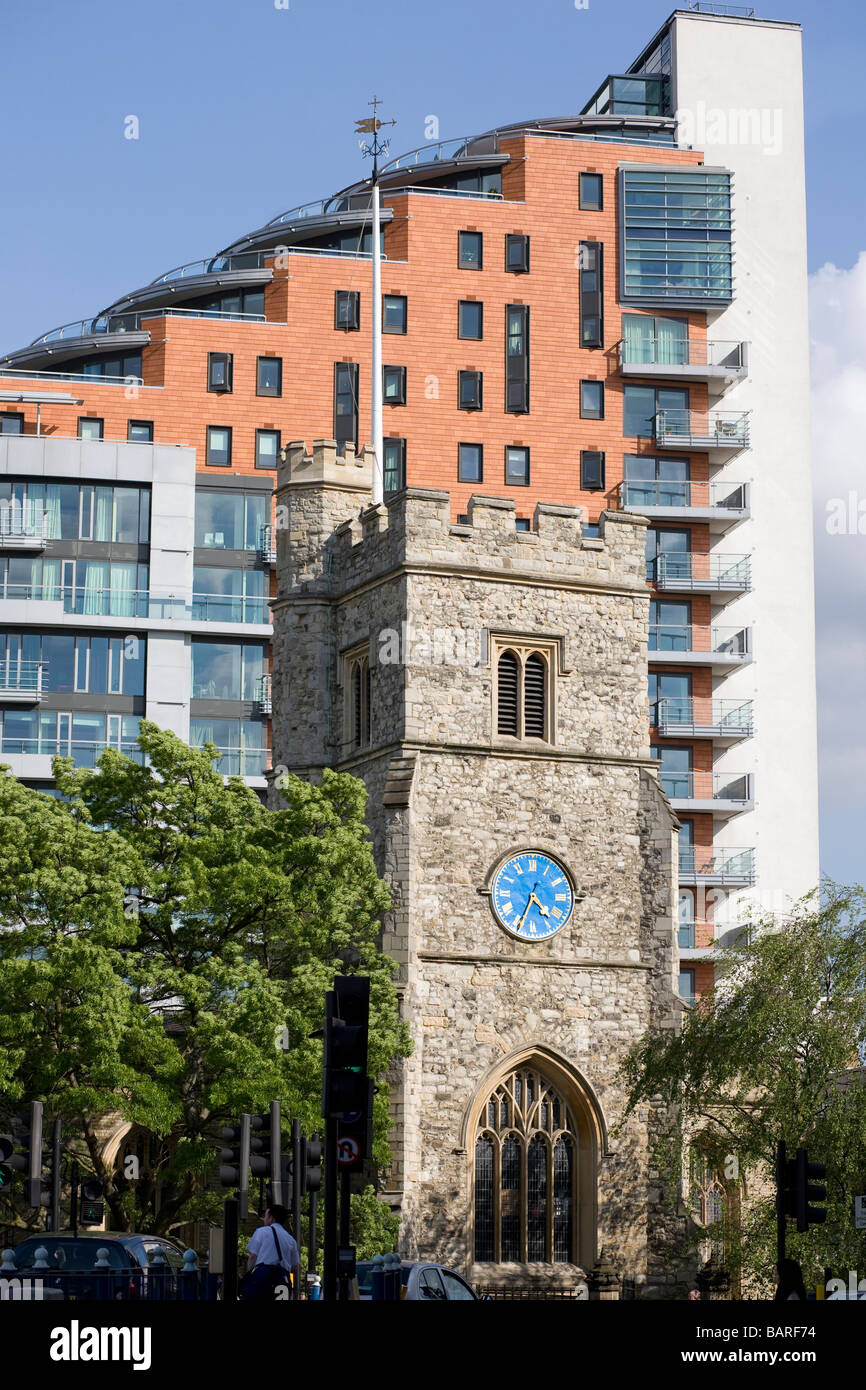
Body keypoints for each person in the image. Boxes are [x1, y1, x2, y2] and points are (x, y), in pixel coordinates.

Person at [242, 1205, 300, 1300]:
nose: (264, 1219)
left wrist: (249, 1275)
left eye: (265, 1216)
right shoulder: (291, 1239)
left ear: (271, 1218)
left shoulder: (261, 1232)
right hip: (282, 1281)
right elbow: (294, 1266)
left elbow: (253, 1257)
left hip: (262, 1279)